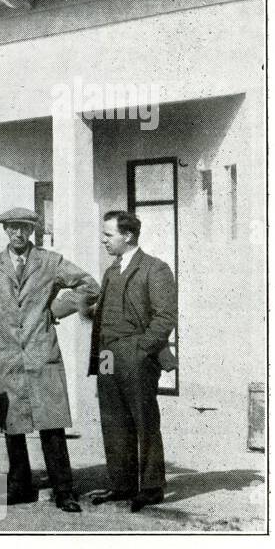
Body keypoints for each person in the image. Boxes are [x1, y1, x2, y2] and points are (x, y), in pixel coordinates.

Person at [0, 207, 100, 513]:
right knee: (12, 426)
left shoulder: (49, 261)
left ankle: (64, 490)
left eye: (25, 228)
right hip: (4, 356)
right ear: (4, 230)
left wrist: (56, 309)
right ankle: (20, 486)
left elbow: (89, 285)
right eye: (13, 228)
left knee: (52, 425)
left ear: (33, 231)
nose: (19, 234)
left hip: (41, 352)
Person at [88, 210, 177, 512]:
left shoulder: (156, 269)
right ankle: (122, 484)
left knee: (144, 420)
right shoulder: (111, 271)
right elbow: (102, 318)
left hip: (136, 356)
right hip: (107, 356)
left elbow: (165, 317)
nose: (104, 240)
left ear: (127, 236)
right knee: (112, 419)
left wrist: (141, 350)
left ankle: (151, 487)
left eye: (108, 235)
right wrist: (101, 359)